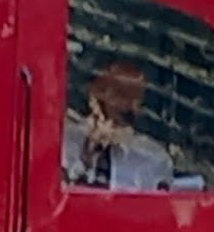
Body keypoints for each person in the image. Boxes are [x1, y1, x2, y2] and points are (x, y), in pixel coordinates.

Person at [62, 60, 175, 191]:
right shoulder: (64, 142)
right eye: (121, 95)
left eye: (136, 99)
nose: (128, 106)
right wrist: (88, 154)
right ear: (95, 95)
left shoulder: (153, 157)